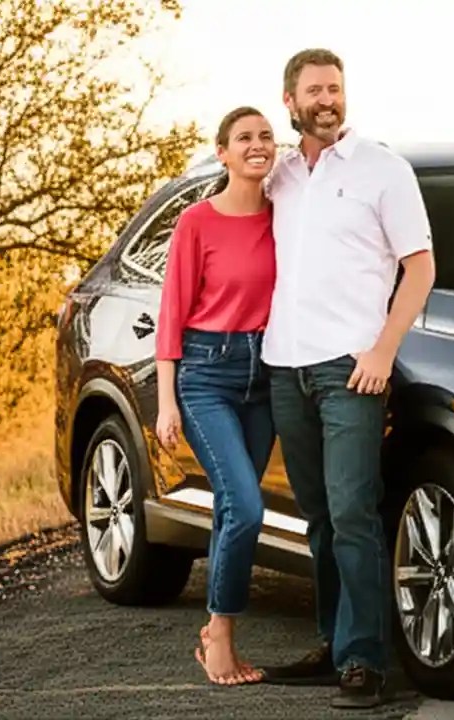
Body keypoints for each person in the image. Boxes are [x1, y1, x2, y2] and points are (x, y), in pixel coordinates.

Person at [255, 48, 436, 710]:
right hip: (285, 366)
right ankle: (334, 644)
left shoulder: (382, 170)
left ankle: (366, 660)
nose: (328, 99)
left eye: (335, 88)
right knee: (320, 516)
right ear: (291, 102)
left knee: (355, 512)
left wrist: (383, 351)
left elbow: (419, 268)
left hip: (351, 370)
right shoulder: (279, 177)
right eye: (315, 91)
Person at [155, 106, 279, 686]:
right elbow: (171, 317)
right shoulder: (196, 224)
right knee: (247, 507)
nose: (257, 145)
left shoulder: (285, 218)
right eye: (244, 138)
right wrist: (166, 401)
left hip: (266, 375)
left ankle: (214, 634)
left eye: (265, 136)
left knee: (234, 507)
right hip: (207, 375)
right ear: (223, 153)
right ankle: (222, 635)